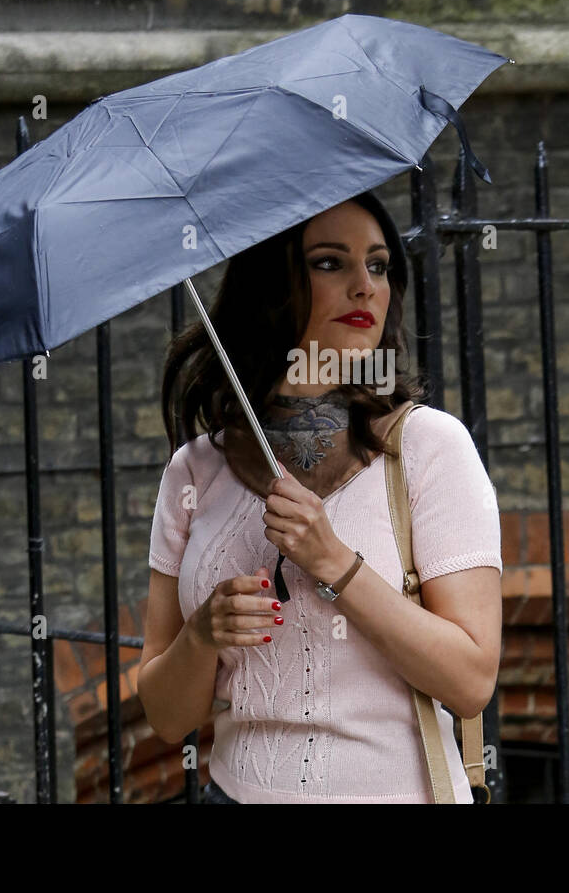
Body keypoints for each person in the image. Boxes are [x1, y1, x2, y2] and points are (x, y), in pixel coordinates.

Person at [138, 189, 502, 803]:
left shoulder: (428, 447)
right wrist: (201, 636)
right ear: (272, 285)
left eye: (379, 265)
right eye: (330, 262)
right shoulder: (196, 470)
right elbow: (168, 718)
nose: (365, 287)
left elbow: (470, 682)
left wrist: (335, 562)